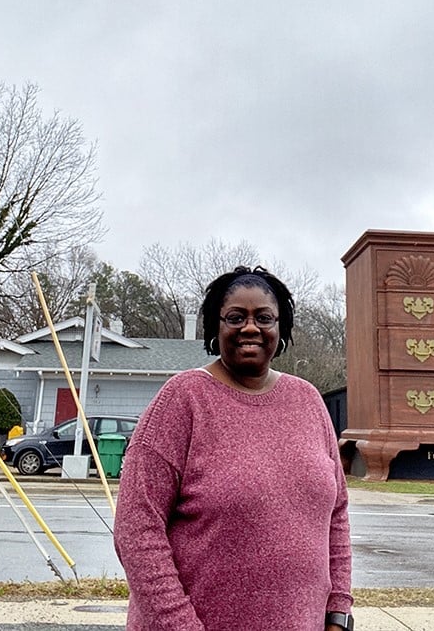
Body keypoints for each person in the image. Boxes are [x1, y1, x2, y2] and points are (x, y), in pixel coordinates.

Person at [114, 265, 353, 631]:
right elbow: (136, 528)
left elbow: (336, 514)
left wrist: (338, 612)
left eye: (264, 317)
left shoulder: (308, 401)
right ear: (215, 326)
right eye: (236, 317)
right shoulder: (183, 400)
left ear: (280, 328)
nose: (251, 327)